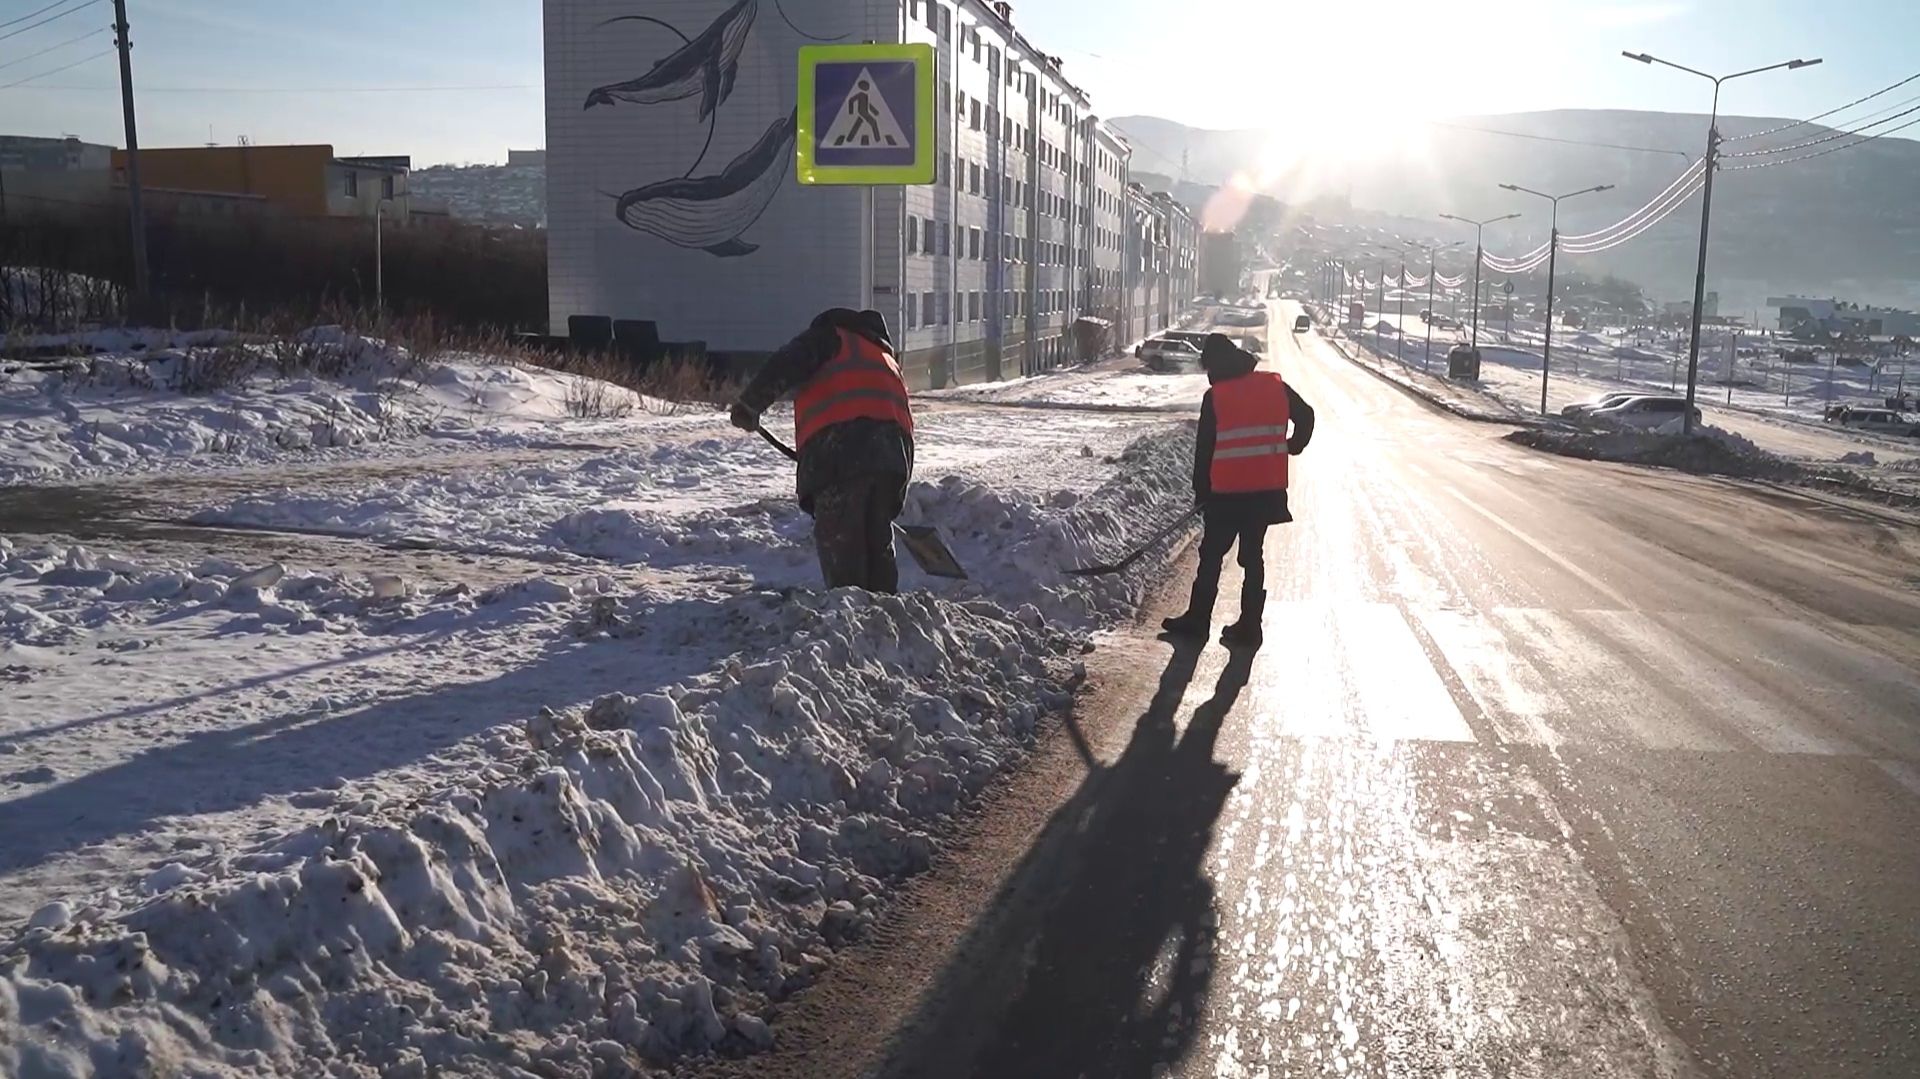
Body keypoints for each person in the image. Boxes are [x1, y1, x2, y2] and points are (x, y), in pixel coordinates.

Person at [731, 308, 914, 593]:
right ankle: (883, 617)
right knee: (876, 540)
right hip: (893, 460)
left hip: (843, 451)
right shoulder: (883, 356)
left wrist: (750, 404)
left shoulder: (830, 337)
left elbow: (787, 362)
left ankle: (849, 616)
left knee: (842, 543)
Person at [1161, 333, 1315, 647]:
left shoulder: (1216, 397)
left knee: (1212, 556)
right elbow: (1306, 415)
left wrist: (1201, 492)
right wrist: (1292, 447)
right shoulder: (1274, 387)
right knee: (1252, 557)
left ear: (1214, 365)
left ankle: (1198, 620)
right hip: (1264, 491)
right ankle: (1250, 626)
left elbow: (1205, 450)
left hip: (1227, 494)